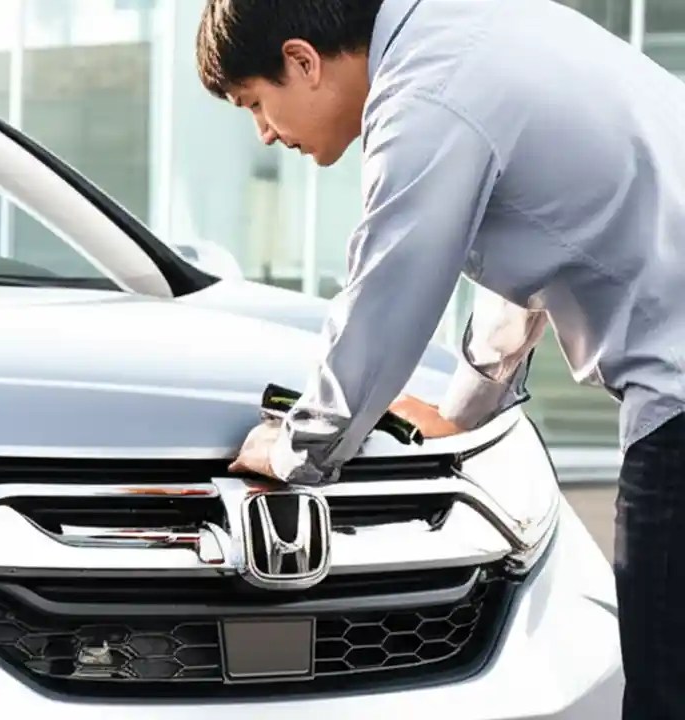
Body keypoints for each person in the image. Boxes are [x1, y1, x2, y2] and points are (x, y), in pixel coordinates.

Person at [195, 0, 685, 716]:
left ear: (302, 61)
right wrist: (464, 410)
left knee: (666, 691)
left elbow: (390, 288)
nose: (266, 134)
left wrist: (298, 447)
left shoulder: (425, 93)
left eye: (255, 104)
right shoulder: (482, 29)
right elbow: (535, 240)